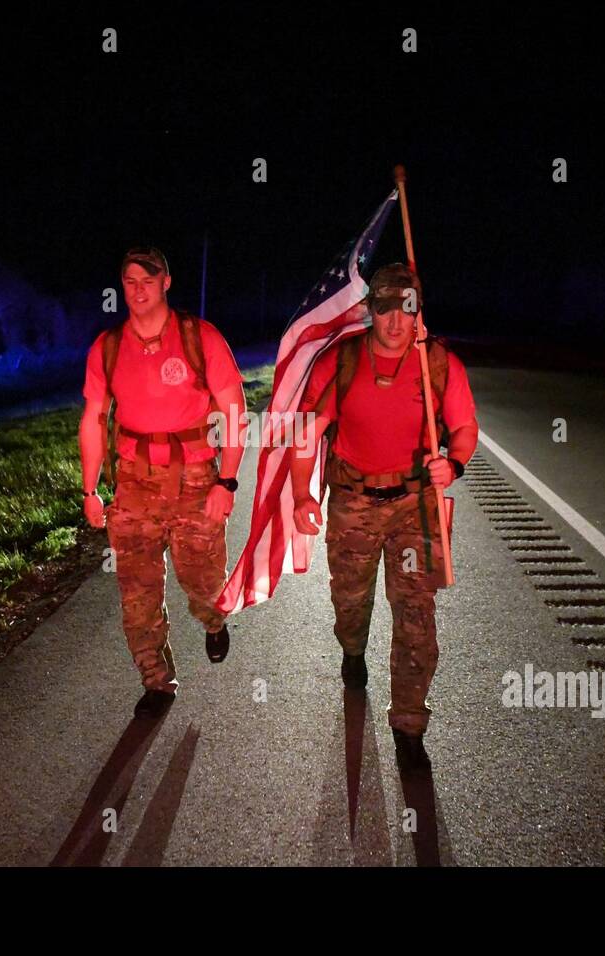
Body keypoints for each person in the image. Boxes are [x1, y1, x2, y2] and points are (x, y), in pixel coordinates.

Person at [289, 263, 478, 770]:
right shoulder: (344, 362)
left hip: (414, 507)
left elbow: (464, 428)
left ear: (419, 310)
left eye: (407, 307)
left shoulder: (438, 364)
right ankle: (353, 651)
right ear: (370, 310)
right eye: (385, 307)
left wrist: (453, 463)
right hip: (352, 500)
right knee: (350, 603)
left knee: (416, 617)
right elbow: (308, 430)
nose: (397, 320)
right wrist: (303, 496)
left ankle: (410, 723)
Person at [78, 247, 247, 718]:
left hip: (195, 479)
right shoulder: (108, 347)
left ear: (166, 282)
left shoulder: (199, 337)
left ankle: (213, 620)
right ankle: (157, 681)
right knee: (137, 594)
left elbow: (234, 411)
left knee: (204, 582)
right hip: (133, 484)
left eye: (148, 279)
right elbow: (93, 418)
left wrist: (227, 482)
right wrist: (90, 490)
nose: (138, 289)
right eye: (130, 281)